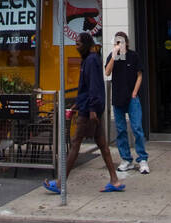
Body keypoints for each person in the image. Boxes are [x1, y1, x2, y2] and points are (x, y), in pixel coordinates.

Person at [45, 33, 123, 194]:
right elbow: (86, 87)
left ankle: (60, 184)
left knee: (75, 144)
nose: (76, 46)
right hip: (89, 107)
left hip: (89, 111)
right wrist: (77, 104)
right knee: (102, 144)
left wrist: (92, 109)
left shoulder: (91, 60)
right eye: (75, 43)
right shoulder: (89, 60)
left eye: (78, 44)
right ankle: (114, 180)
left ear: (87, 44)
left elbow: (94, 86)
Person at [105, 31, 148, 174]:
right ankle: (126, 159)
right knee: (121, 129)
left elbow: (139, 75)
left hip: (132, 97)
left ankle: (142, 159)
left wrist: (135, 93)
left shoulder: (133, 56)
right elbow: (107, 72)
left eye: (121, 42)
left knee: (137, 128)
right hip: (118, 98)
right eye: (117, 42)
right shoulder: (113, 56)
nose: (119, 45)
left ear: (127, 43)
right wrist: (114, 55)